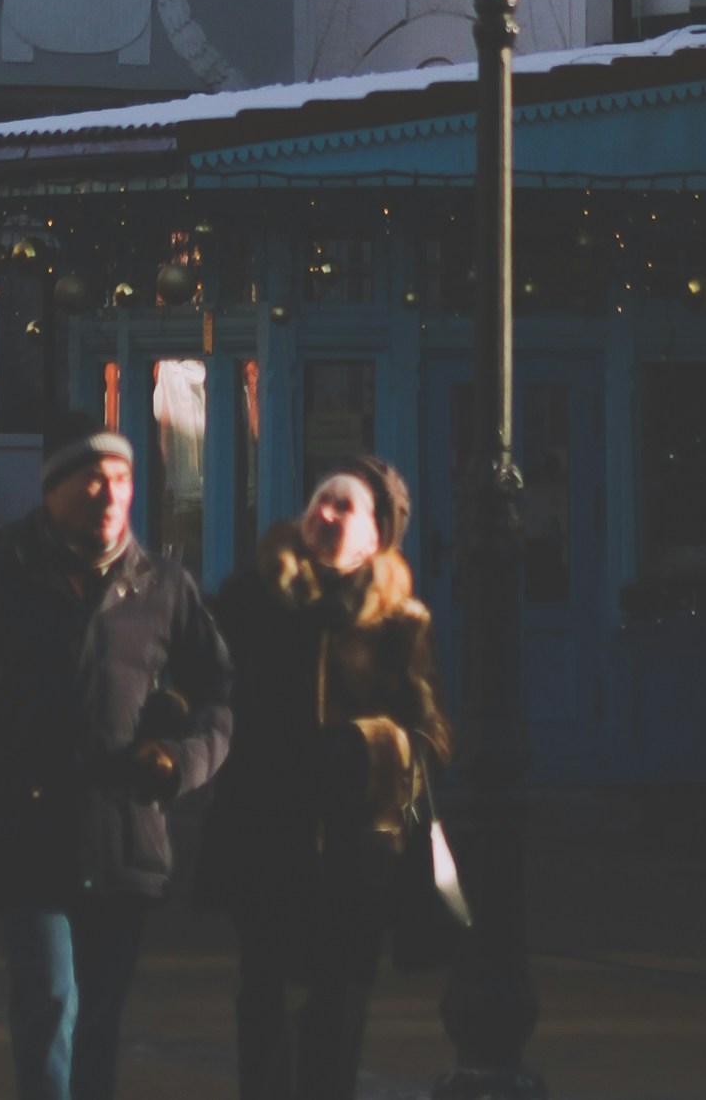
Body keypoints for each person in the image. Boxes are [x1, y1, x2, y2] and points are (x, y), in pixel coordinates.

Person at [0, 423, 233, 1100]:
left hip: (125, 831)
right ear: (52, 489)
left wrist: (184, 761)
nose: (107, 493)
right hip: (29, 829)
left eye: (120, 479)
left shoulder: (164, 586)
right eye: (90, 478)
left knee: (101, 1018)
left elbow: (222, 692)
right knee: (49, 1003)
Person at [197, 454, 451, 1100]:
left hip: (358, 847)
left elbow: (430, 740)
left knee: (339, 1005)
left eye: (345, 507)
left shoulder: (402, 621)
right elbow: (206, 691)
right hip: (265, 832)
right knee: (266, 995)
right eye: (321, 499)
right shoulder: (249, 596)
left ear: (375, 536)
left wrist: (367, 746)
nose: (326, 513)